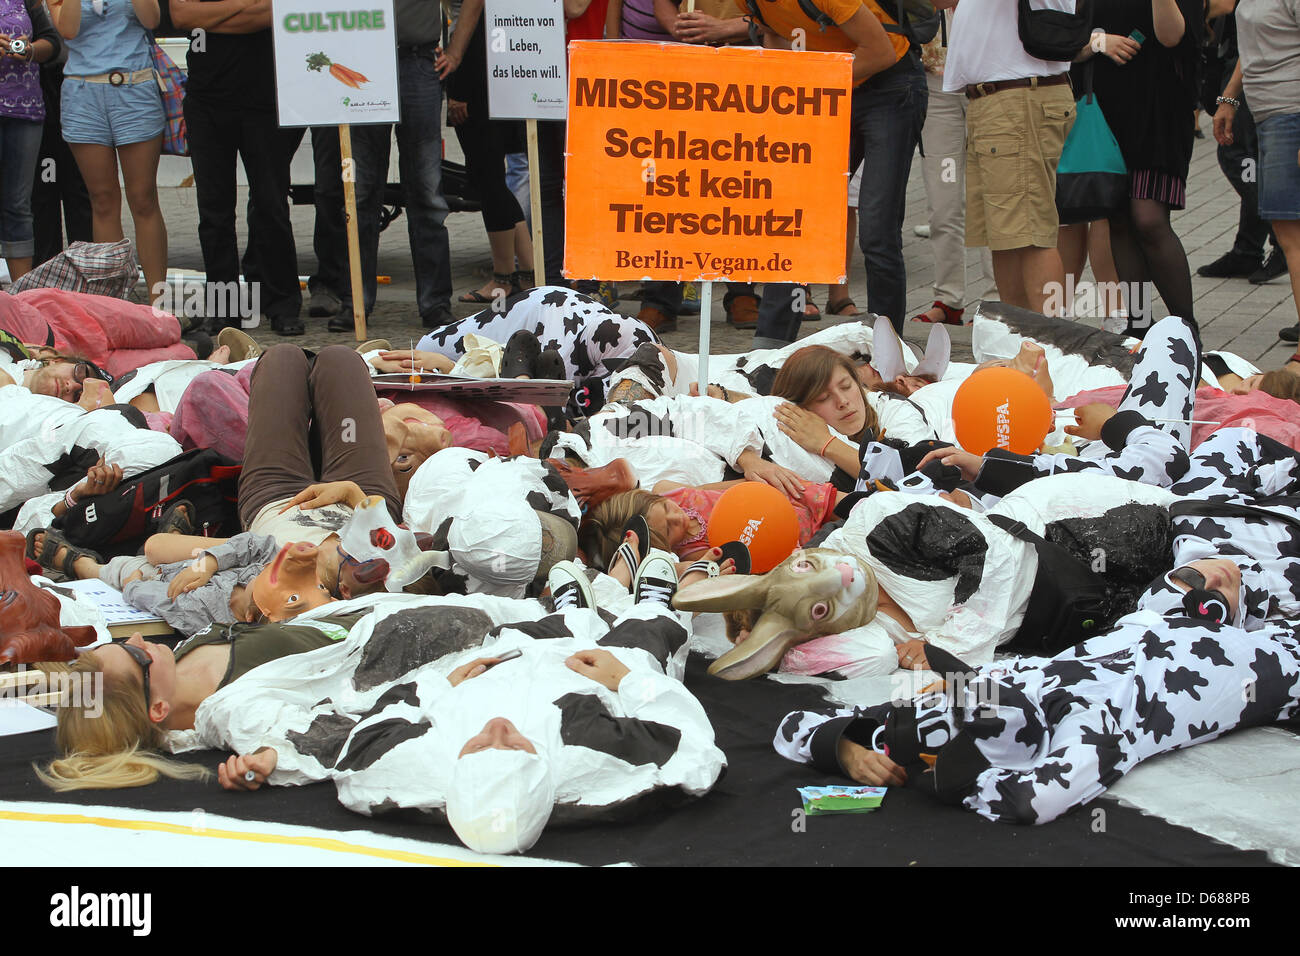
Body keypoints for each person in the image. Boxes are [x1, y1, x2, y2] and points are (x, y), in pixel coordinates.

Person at [773, 562, 1300, 824]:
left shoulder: (1017, 680)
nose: (1215, 579)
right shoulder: (1098, 719)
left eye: (1225, 584)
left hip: (1019, 688)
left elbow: (796, 727)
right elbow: (1036, 797)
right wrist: (848, 748)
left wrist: (856, 752)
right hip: (1223, 666)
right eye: (1198, 577)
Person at [745, 0, 927, 343]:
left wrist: (810, 76)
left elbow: (881, 52)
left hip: (890, 84)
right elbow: (774, 34)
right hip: (833, 85)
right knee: (794, 218)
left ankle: (887, 351)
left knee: (877, 228)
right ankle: (769, 346)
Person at [171, 0, 304, 337]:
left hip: (264, 100)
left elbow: (274, 11)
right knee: (214, 213)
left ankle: (283, 304)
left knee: (271, 205)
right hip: (206, 100)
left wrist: (212, 17)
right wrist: (245, 9)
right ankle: (224, 308)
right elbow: (182, 16)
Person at [936, 0, 1076, 316]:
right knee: (1006, 234)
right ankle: (1020, 338)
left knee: (1029, 231)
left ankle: (1053, 345)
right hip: (997, 99)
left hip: (1018, 96)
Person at [1079, 0, 1204, 335]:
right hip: (1106, 109)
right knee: (1119, 220)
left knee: (1148, 218)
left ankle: (1185, 328)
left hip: (1159, 111)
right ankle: (1138, 327)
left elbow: (1172, 37)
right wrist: (1098, 43)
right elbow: (1064, 40)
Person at [332, 0, 454, 333]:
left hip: (418, 59)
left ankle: (435, 304)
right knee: (361, 195)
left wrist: (455, 51)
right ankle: (355, 301)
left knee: (427, 194)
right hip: (364, 58)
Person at [50, 0, 168, 298]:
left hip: (134, 88)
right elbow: (68, 30)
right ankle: (114, 303)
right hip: (82, 93)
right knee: (102, 201)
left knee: (143, 198)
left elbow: (152, 19)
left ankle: (160, 303)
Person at [1214, 0, 1300, 344]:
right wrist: (1229, 99)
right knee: (1289, 233)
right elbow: (1253, 47)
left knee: (1292, 235)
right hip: (1271, 114)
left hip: (1290, 114)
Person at [438, 0, 534, 304]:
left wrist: (458, 84)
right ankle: (529, 272)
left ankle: (504, 276)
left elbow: (473, 6)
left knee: (487, 176)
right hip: (498, 64)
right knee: (491, 178)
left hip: (478, 66)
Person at [1196, 0, 1289, 285]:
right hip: (1247, 63)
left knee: (1239, 156)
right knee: (1248, 159)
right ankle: (1249, 248)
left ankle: (1282, 235)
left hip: (1271, 77)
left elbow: (1222, 5)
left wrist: (1194, 14)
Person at [0, 0, 60, 282]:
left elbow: (52, 42)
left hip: (24, 111)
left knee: (18, 206)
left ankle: (21, 300)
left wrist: (29, 49)